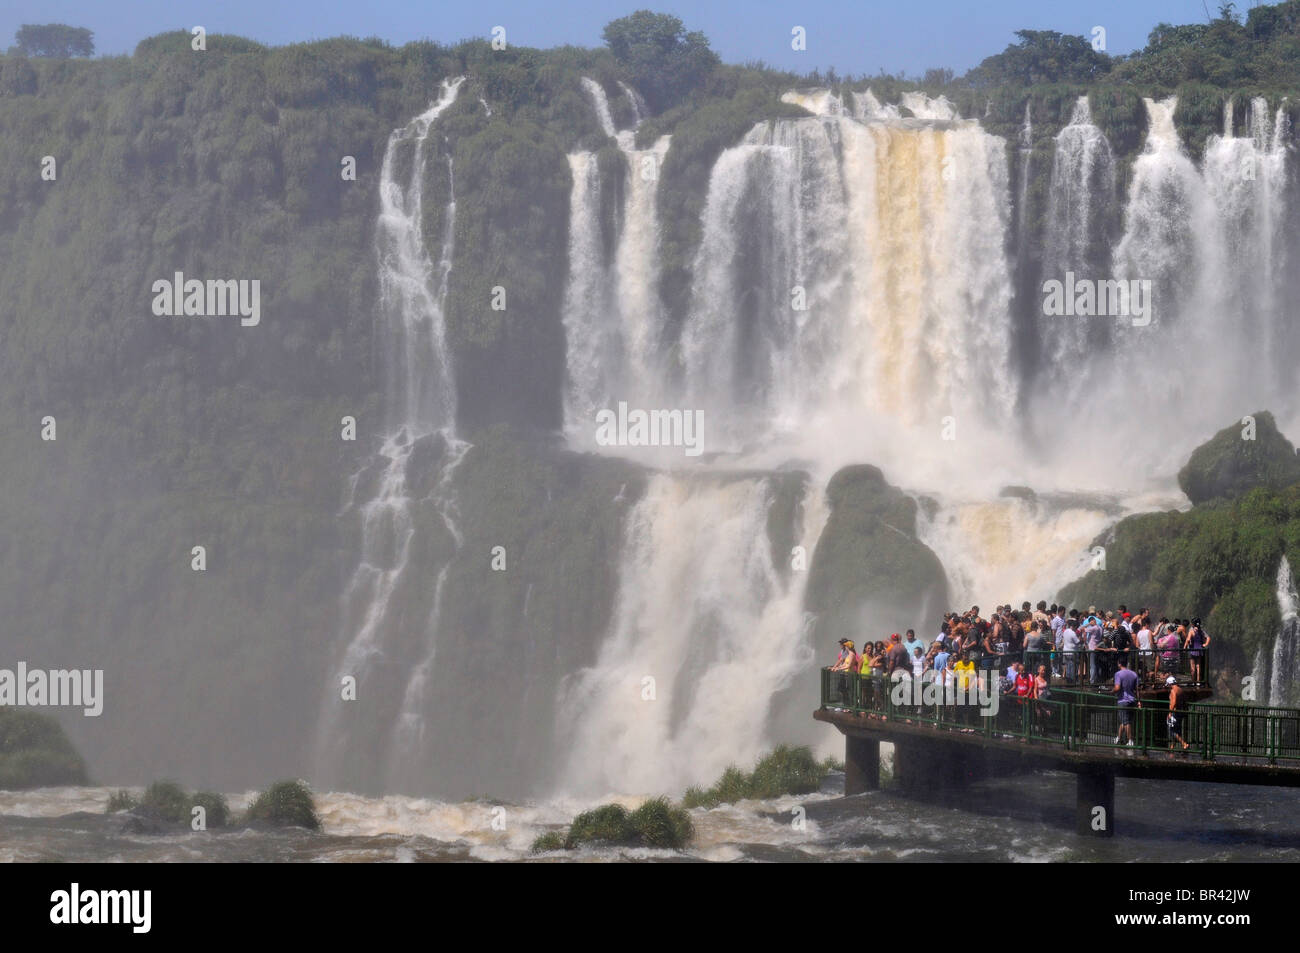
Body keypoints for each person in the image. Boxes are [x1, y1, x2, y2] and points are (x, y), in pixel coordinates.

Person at [1110, 658, 1140, 746]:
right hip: (1132, 700)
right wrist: (1139, 701)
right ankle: (1118, 738)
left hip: (1123, 701)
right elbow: (1137, 689)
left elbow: (1117, 688)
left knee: (1126, 722)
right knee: (1125, 720)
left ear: (1119, 664)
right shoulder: (1134, 674)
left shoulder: (1118, 674)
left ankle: (1130, 740)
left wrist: (1112, 691)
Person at [1166, 676, 1190, 752]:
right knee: (1177, 729)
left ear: (1170, 684)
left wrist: (1170, 713)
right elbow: (1185, 701)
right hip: (1181, 712)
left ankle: (1184, 744)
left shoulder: (1173, 691)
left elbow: (1174, 703)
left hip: (1175, 713)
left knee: (1171, 730)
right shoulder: (1180, 690)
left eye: (1168, 685)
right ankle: (1172, 746)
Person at [1185, 618, 1210, 685]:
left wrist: (1188, 643)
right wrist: (1205, 644)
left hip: (1193, 650)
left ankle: (1193, 681)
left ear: (1193, 624)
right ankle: (1198, 681)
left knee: (1192, 667)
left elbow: (1188, 640)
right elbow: (1208, 638)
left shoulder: (1191, 631)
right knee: (1198, 666)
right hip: (1199, 650)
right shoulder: (1201, 631)